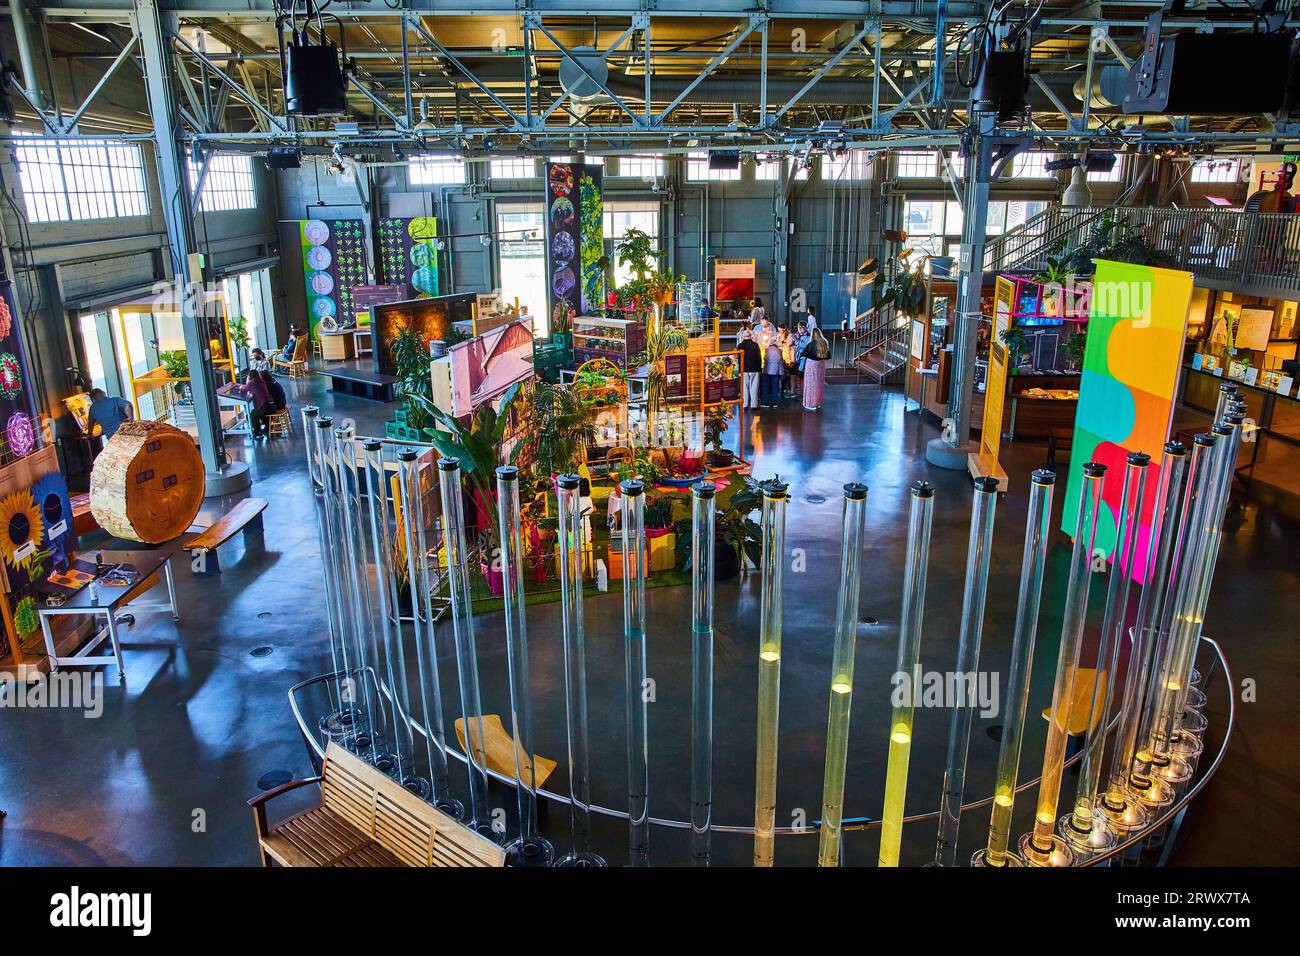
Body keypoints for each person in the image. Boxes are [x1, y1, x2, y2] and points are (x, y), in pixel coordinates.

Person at [802, 326, 832, 411]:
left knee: (810, 384)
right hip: (821, 365)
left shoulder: (811, 344)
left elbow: (804, 354)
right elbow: (828, 355)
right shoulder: (824, 343)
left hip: (811, 365)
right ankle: (818, 402)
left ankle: (810, 403)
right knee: (819, 384)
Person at [738, 328, 761, 410]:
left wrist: (739, 370)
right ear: (751, 336)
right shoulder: (755, 345)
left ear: (743, 336)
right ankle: (754, 405)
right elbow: (759, 358)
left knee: (744, 387)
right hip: (754, 368)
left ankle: (745, 404)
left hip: (744, 369)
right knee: (754, 387)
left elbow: (739, 359)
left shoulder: (740, 345)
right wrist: (759, 369)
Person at [761, 333, 784, 408]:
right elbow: (781, 362)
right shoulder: (779, 351)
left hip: (766, 371)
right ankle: (775, 403)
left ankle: (765, 402)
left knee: (765, 387)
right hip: (776, 371)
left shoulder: (766, 350)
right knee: (775, 388)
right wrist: (781, 372)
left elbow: (765, 359)